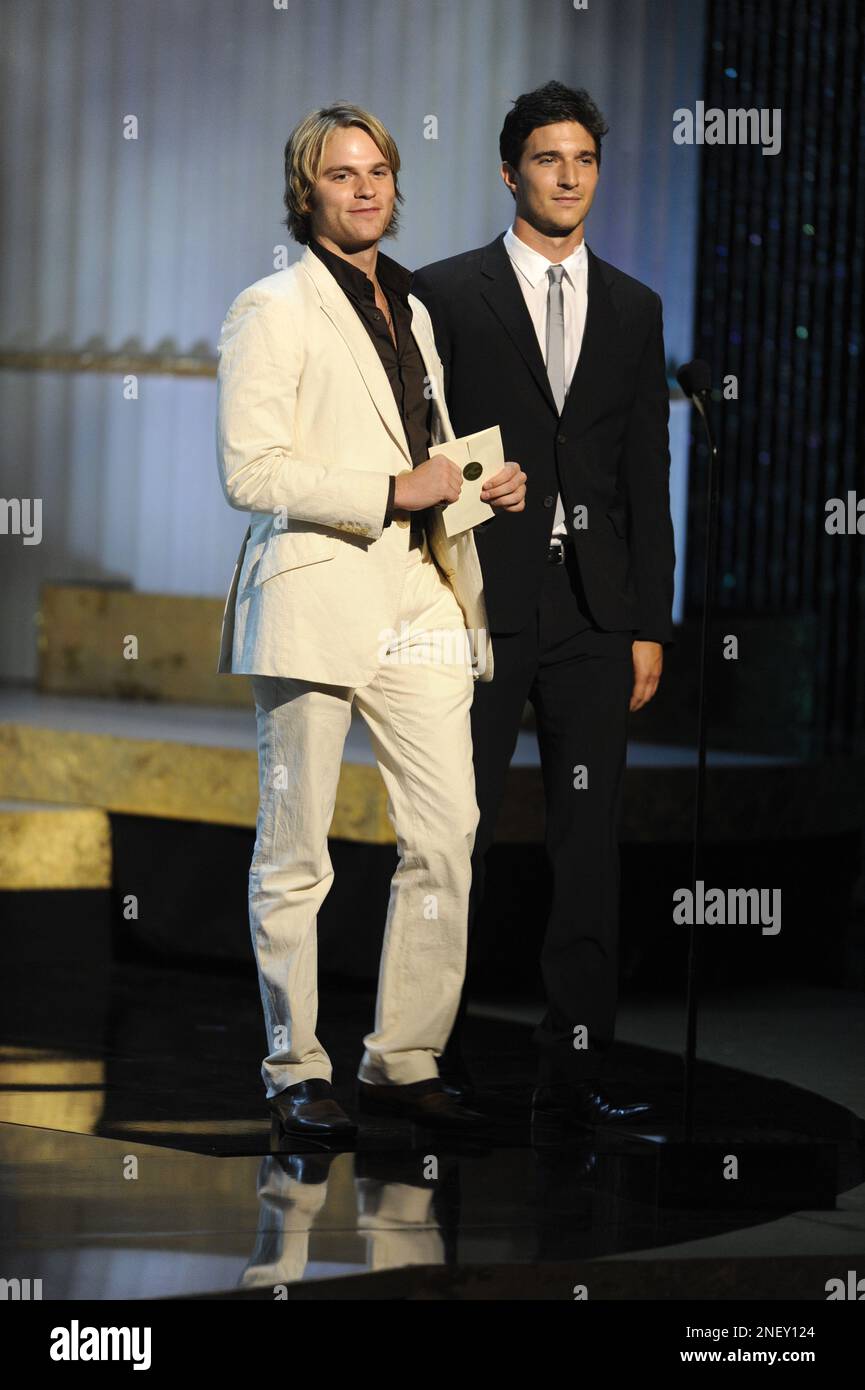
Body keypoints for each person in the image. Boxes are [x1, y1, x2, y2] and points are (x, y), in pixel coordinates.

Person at [215, 103, 526, 1140]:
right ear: (307, 192)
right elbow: (250, 471)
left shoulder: (414, 307)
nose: (364, 190)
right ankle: (295, 1067)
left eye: (378, 172)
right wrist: (394, 488)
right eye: (342, 175)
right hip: (313, 591)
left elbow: (427, 455)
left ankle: (402, 1056)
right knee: (296, 847)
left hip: (423, 593)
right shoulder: (273, 306)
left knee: (447, 833)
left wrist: (479, 486)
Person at [413, 81, 675, 1132]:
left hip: (595, 616)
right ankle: (435, 1055)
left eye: (585, 160)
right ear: (510, 169)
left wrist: (648, 619)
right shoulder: (443, 291)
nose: (569, 177)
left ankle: (575, 1062)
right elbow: (416, 449)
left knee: (587, 840)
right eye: (549, 159)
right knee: (452, 835)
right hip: (477, 600)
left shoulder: (635, 307)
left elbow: (643, 477)